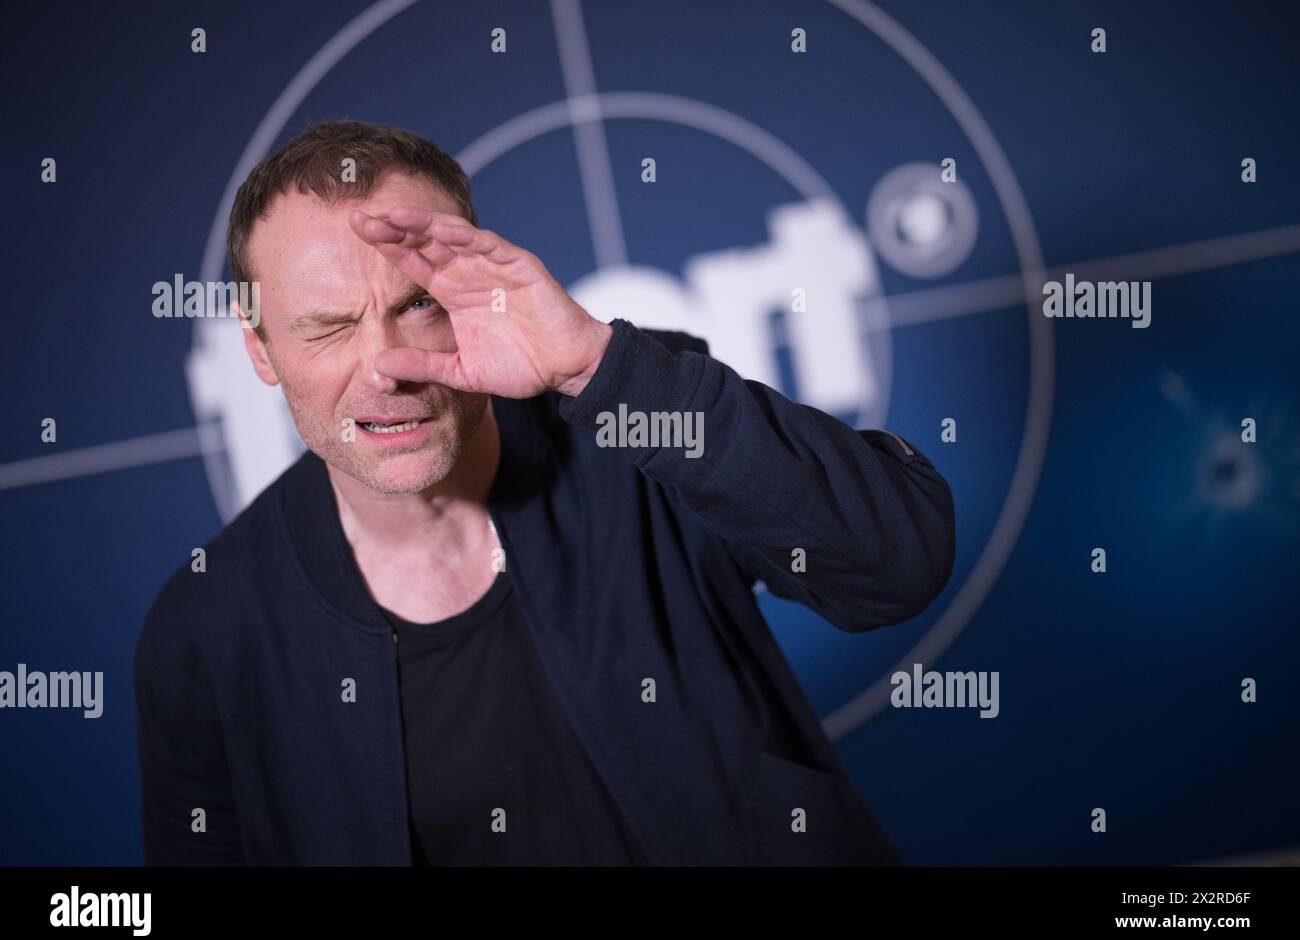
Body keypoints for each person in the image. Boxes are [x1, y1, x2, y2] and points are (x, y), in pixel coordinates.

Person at [134, 119, 956, 866]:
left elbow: (899, 563)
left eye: (419, 305)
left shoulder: (637, 420)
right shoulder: (207, 630)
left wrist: (596, 369)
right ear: (262, 351)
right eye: (328, 328)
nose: (387, 366)